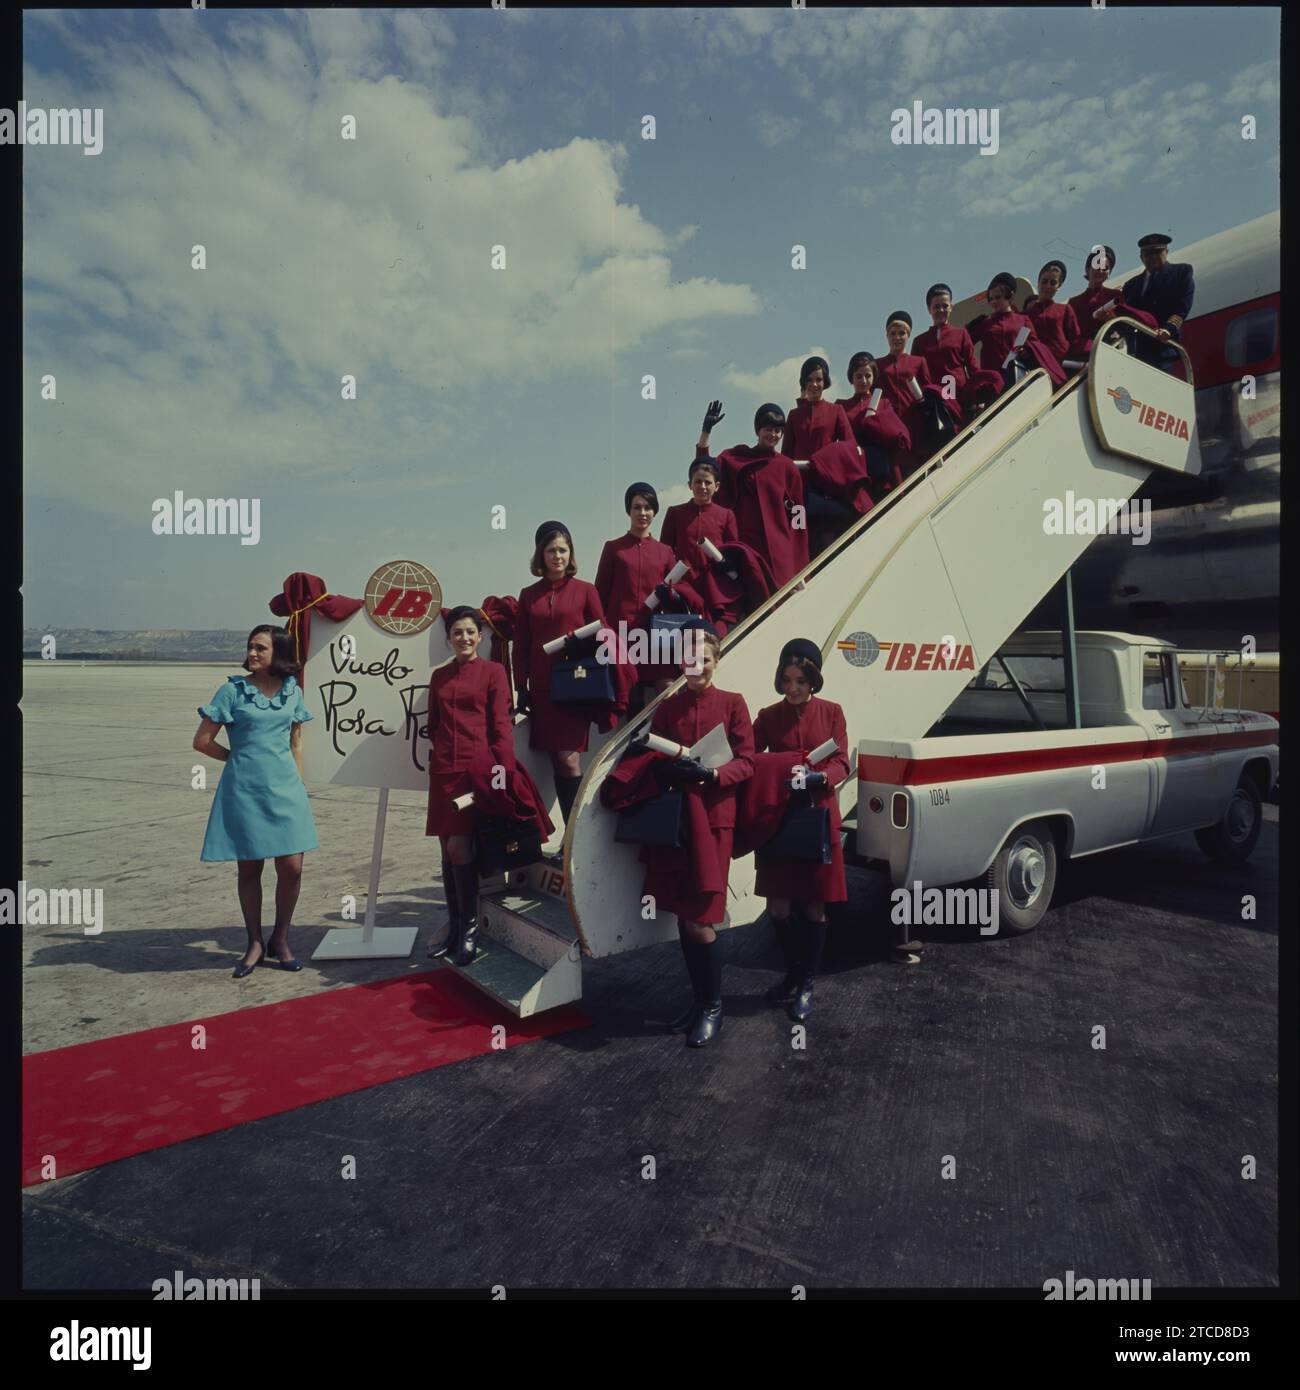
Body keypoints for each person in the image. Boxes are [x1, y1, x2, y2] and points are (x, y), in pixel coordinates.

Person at [642, 627, 754, 1047]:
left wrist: (712, 774)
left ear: (716, 661)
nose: (697, 667)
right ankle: (699, 1001)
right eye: (690, 660)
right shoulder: (669, 707)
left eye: (704, 659)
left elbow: (748, 762)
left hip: (714, 820)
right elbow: (653, 754)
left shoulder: (733, 703)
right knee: (684, 918)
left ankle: (713, 1007)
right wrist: (667, 768)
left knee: (703, 919)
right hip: (679, 820)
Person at [194, 625, 318, 977]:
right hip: (244, 789)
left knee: (292, 867)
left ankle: (281, 939)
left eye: (260, 648)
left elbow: (295, 743)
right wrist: (239, 758)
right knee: (250, 868)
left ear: (278, 652)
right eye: (250, 647)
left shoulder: (292, 691)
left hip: (286, 790)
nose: (252, 653)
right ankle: (254, 942)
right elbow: (202, 741)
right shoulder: (231, 691)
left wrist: (298, 784)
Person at [750, 639, 849, 1022]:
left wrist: (819, 778)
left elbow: (843, 761)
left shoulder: (833, 712)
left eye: (801, 681)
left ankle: (807, 982)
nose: (793, 688)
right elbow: (752, 760)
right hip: (778, 819)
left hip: (818, 818)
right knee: (777, 907)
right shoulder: (767, 716)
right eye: (787, 680)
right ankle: (792, 971)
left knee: (813, 905)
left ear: (813, 681)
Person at [424, 606, 517, 965]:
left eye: (469, 632)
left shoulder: (493, 672)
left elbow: (501, 726)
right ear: (448, 638)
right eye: (456, 632)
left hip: (476, 771)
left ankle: (469, 933)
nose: (463, 638)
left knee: (461, 849)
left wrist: (501, 772)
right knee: (446, 851)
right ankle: (453, 927)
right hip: (443, 773)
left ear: (481, 637)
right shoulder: (439, 677)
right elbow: (433, 725)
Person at [514, 522, 607, 830]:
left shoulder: (586, 590)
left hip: (576, 686)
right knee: (557, 761)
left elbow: (604, 634)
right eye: (551, 550)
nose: (558, 556)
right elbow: (522, 646)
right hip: (542, 689)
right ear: (541, 555)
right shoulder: (528, 595)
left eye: (563, 550)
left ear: (571, 553)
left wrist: (582, 640)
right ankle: (570, 836)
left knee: (569, 761)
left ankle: (576, 836)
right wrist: (521, 687)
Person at [708, 403, 809, 589]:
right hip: (748, 545)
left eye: (778, 430)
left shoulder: (787, 467)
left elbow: (798, 514)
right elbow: (706, 471)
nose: (773, 435)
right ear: (757, 430)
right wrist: (705, 435)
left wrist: (799, 558)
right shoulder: (737, 458)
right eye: (768, 429)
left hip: (781, 549)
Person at [968, 271, 1067, 401]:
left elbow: (1034, 344)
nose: (994, 302)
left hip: (1016, 377)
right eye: (991, 299)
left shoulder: (1023, 320)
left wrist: (1026, 351)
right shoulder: (984, 323)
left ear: (1010, 295)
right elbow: (966, 345)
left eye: (998, 297)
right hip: (992, 382)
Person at [659, 455, 741, 599]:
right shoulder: (675, 513)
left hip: (716, 588)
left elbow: (732, 553)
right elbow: (665, 552)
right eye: (697, 481)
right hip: (683, 588)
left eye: (707, 482)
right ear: (690, 484)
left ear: (717, 486)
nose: (702, 487)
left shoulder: (726, 515)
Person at [835, 351, 911, 498]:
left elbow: (895, 436)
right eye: (858, 376)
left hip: (883, 471)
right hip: (856, 472)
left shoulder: (884, 403)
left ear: (874, 377)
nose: (863, 380)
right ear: (851, 378)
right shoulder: (841, 406)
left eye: (868, 376)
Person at [1121, 232, 1194, 372]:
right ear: (1141, 257)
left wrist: (1169, 327)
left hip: (1163, 346)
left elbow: (1183, 306)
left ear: (1166, 252)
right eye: (1148, 253)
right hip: (1137, 350)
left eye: (1157, 252)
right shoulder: (1131, 285)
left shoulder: (1181, 273)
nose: (1153, 257)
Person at [876, 311, 934, 472]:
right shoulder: (877, 365)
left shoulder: (918, 362)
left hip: (916, 426)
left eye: (902, 333)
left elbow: (928, 391)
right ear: (887, 335)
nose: (897, 337)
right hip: (892, 430)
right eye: (893, 333)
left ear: (908, 335)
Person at [912, 284, 979, 423]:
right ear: (929, 309)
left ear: (951, 307)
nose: (941, 310)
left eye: (945, 306)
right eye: (936, 307)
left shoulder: (961, 334)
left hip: (962, 399)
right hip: (935, 403)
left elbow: (972, 367)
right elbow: (916, 377)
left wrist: (979, 396)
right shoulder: (919, 341)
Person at [781, 357, 853, 459]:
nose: (814, 384)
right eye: (809, 380)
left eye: (818, 380)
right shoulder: (794, 415)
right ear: (804, 382)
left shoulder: (836, 410)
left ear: (825, 382)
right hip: (799, 473)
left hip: (827, 472)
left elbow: (849, 445)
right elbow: (786, 454)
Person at [1023, 261, 1084, 370]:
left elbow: (1075, 339)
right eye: (1044, 281)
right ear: (1038, 282)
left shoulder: (1064, 310)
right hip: (1037, 367)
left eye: (1053, 283)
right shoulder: (1025, 315)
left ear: (1059, 286)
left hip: (1063, 366)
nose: (1048, 286)